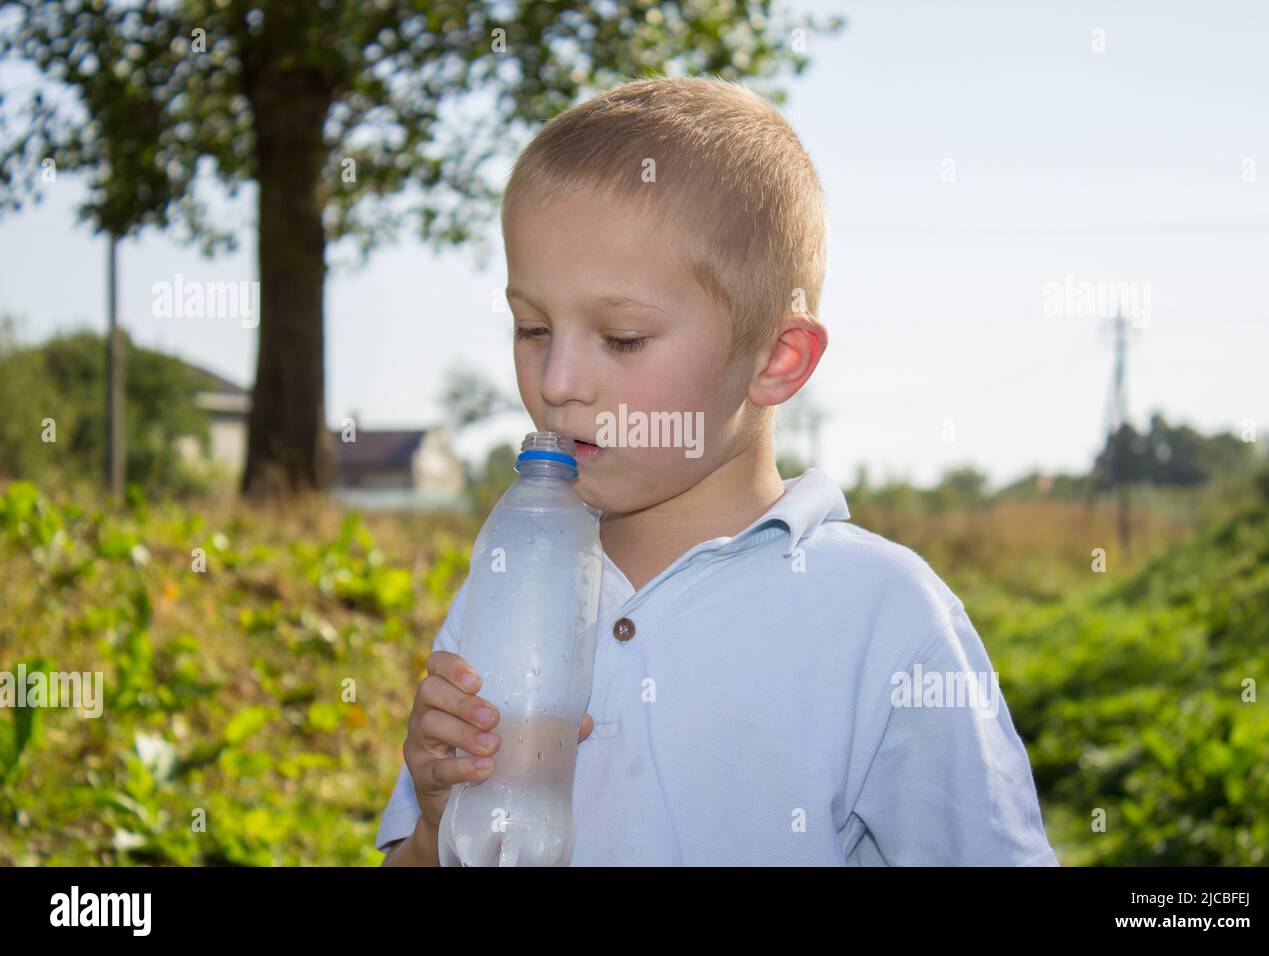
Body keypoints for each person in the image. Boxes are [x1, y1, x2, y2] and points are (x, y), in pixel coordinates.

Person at [378, 75, 1058, 866]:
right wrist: (434, 830)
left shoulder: (885, 619)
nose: (556, 381)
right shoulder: (507, 579)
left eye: (623, 338)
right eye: (532, 327)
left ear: (776, 359)